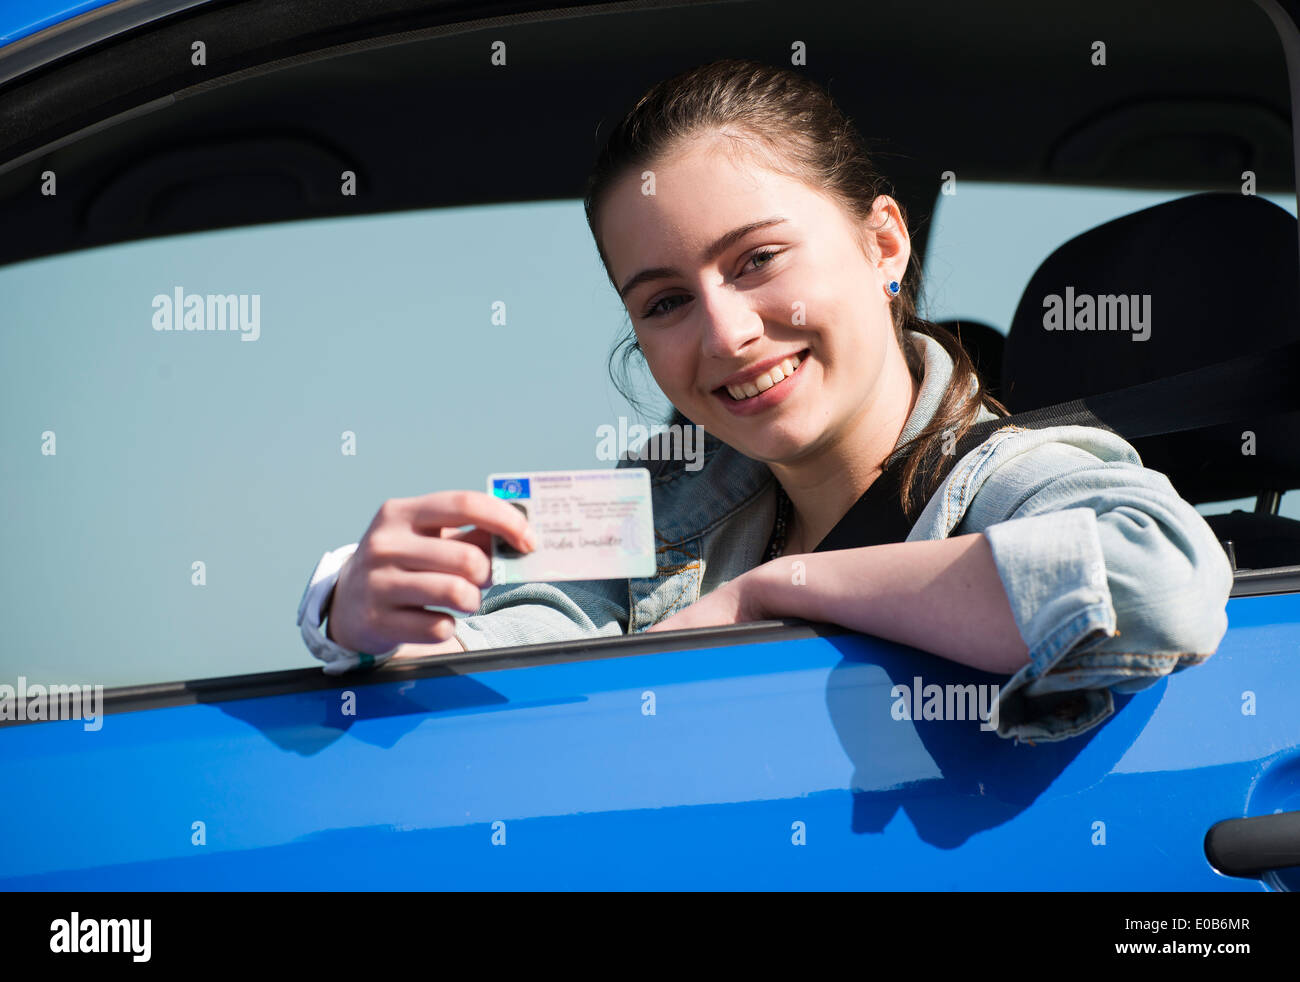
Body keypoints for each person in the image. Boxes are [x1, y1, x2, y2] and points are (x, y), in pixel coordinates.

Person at [296, 58, 1233, 743]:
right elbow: (510, 658)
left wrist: (770, 595)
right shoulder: (648, 506)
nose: (725, 333)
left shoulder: (1011, 481)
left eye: (758, 260)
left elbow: (1158, 583)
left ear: (884, 246)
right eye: (665, 301)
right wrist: (358, 614)